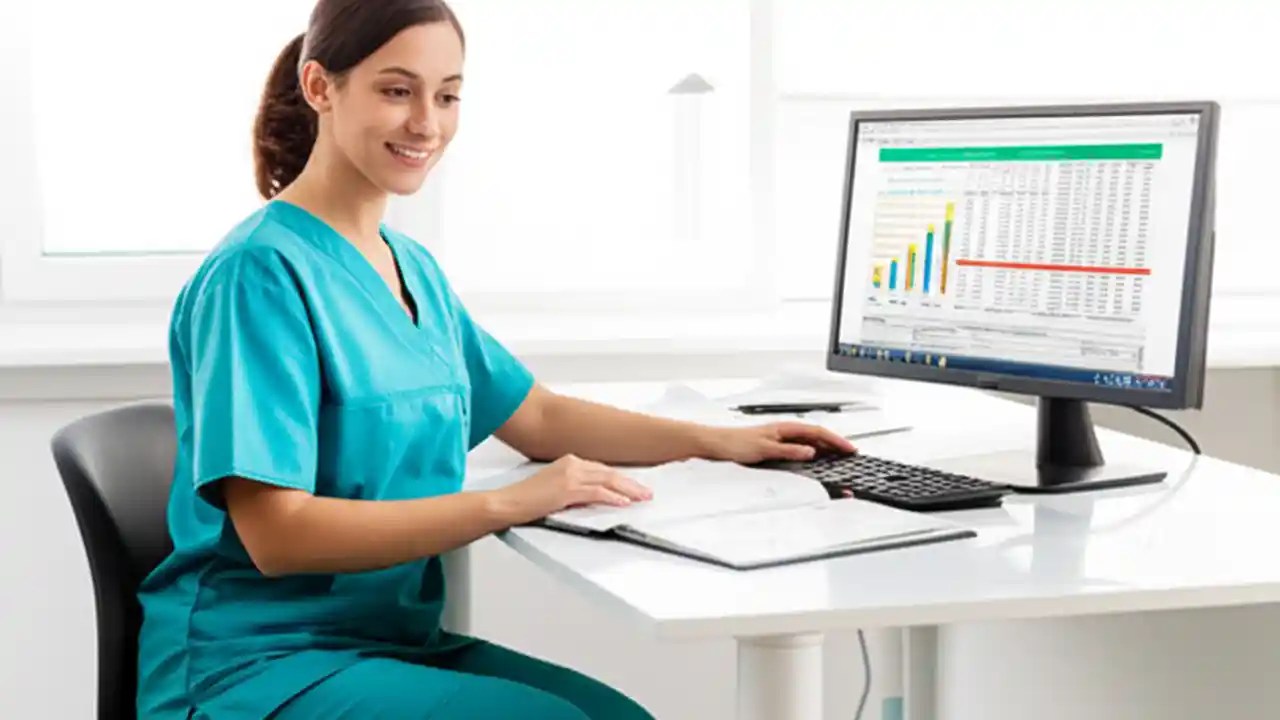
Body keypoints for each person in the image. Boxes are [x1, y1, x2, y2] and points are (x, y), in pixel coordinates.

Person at [135, 1, 856, 717]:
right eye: (397, 90)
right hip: (256, 665)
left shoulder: (408, 267)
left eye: (448, 96)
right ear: (320, 86)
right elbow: (277, 534)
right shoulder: (257, 275)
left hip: (390, 642)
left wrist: (718, 440)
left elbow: (535, 416)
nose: (427, 123)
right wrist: (509, 503)